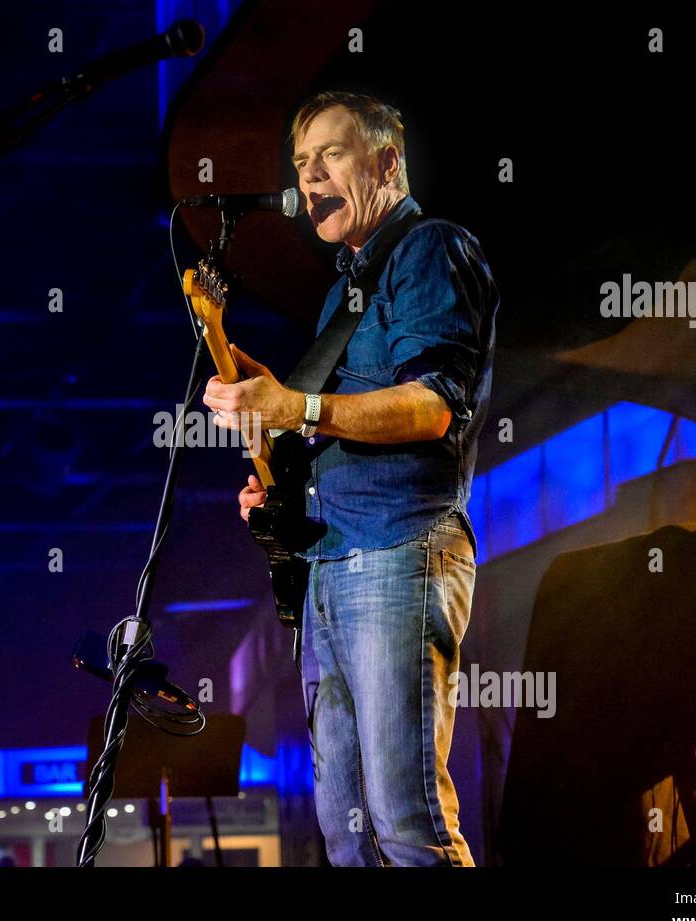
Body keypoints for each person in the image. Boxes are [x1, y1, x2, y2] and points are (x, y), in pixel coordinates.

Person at [202, 91, 498, 866]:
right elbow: (333, 417)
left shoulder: (432, 248)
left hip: (398, 550)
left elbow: (434, 405)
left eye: (330, 155)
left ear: (387, 161)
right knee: (348, 837)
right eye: (300, 165)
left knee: (409, 825)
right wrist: (287, 486)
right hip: (332, 564)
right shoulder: (346, 289)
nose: (309, 179)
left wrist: (296, 404)